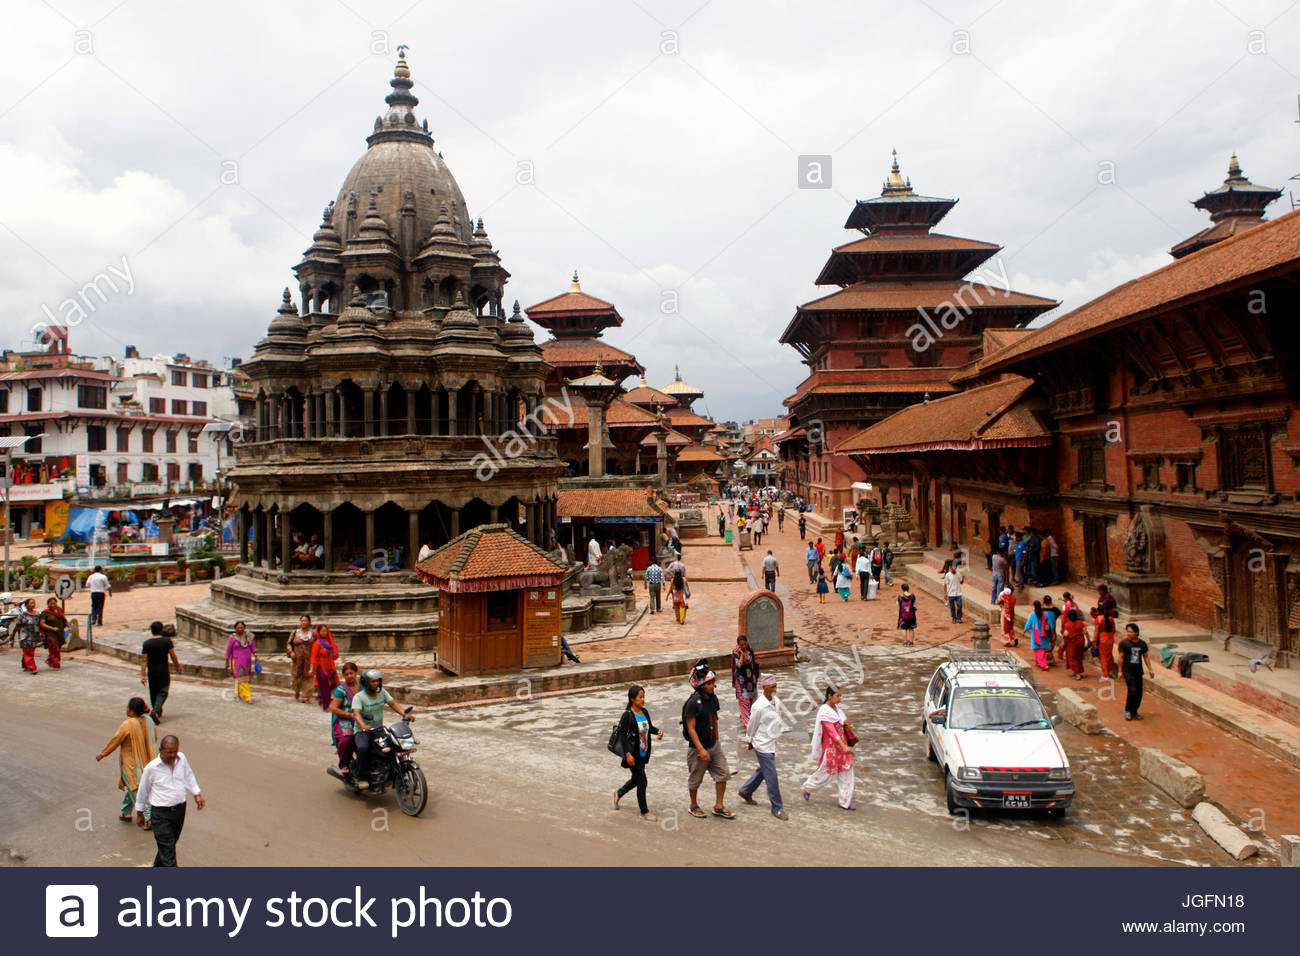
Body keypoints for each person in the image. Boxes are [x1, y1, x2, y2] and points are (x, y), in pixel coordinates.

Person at [135, 734, 204, 866]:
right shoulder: (151, 768)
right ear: (161, 750)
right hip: (160, 815)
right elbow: (143, 790)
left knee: (168, 846)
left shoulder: (182, 759)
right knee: (168, 852)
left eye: (174, 751)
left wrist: (197, 794)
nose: (172, 755)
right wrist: (140, 813)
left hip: (179, 811)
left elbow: (189, 775)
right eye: (169, 752)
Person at [351, 668, 415, 790]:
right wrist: (363, 726)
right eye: (373, 681)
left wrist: (404, 714)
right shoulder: (359, 697)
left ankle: (391, 772)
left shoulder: (382, 693)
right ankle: (362, 778)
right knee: (363, 748)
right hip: (363, 732)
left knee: (393, 746)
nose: (376, 684)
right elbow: (356, 714)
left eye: (378, 681)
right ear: (366, 683)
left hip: (378, 729)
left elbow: (393, 704)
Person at [683, 666, 733, 819]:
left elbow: (715, 718)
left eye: (713, 683)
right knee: (695, 779)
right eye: (710, 683)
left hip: (713, 745)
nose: (713, 686)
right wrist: (701, 749)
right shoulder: (692, 703)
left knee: (723, 774)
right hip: (698, 749)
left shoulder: (713, 698)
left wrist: (716, 741)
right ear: (701, 685)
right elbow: (691, 729)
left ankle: (719, 806)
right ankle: (693, 805)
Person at [96, 696, 156, 823]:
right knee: (132, 786)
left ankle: (148, 817)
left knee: (134, 787)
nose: (126, 709)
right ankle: (126, 812)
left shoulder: (127, 724)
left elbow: (115, 741)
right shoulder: (149, 721)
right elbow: (154, 737)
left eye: (128, 708)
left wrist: (102, 754)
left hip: (131, 763)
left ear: (133, 711)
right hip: (146, 760)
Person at [738, 673, 788, 820]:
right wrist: (750, 740)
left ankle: (746, 791)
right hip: (762, 744)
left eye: (776, 686)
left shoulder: (776, 701)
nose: (775, 689)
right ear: (764, 687)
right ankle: (777, 807)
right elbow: (752, 725)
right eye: (772, 687)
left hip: (771, 741)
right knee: (771, 775)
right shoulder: (758, 707)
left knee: (764, 770)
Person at [802, 684, 856, 810]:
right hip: (832, 748)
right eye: (837, 696)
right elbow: (832, 733)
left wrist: (847, 726)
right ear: (829, 696)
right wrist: (844, 747)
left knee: (847, 771)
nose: (840, 698)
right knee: (825, 774)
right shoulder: (824, 712)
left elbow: (842, 725)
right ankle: (808, 787)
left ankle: (845, 802)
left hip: (842, 746)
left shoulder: (838, 709)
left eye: (840, 696)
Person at [614, 684, 662, 820]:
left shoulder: (644, 712)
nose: (643, 700)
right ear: (632, 699)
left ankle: (619, 793)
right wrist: (627, 754)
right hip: (633, 755)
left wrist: (657, 731)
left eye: (643, 697)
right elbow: (622, 736)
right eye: (640, 697)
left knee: (636, 779)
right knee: (642, 781)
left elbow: (649, 727)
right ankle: (644, 811)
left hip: (643, 753)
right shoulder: (627, 715)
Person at [141, 621, 181, 723]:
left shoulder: (146, 643)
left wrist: (143, 675)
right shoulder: (166, 641)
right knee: (163, 691)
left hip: (152, 672)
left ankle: (157, 711)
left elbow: (144, 660)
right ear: (161, 630)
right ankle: (156, 711)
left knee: (153, 692)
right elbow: (173, 655)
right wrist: (178, 667)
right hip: (163, 671)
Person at [329, 662, 361, 773]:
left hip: (361, 718)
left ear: (356, 672)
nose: (349, 676)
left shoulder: (362, 685)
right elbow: (334, 708)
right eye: (346, 674)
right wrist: (349, 715)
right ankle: (343, 764)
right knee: (346, 739)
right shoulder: (341, 690)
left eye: (351, 673)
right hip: (345, 719)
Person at [1118, 622, 1154, 720]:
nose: (1128, 634)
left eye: (1130, 632)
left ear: (1136, 633)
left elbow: (1146, 656)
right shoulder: (1124, 644)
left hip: (1138, 671)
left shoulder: (1142, 644)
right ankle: (1128, 710)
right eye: (1127, 632)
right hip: (1128, 671)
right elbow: (1121, 657)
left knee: (1139, 692)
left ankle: (1134, 711)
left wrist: (1150, 669)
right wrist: (1120, 671)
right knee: (1132, 691)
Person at [224, 621, 258, 703]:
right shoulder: (232, 638)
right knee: (242, 678)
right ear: (235, 629)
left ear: (244, 628)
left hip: (247, 660)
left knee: (244, 677)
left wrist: (256, 656)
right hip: (237, 661)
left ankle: (238, 693)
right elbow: (228, 650)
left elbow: (253, 647)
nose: (240, 629)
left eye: (242, 627)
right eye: (238, 628)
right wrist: (227, 661)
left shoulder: (249, 636)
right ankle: (248, 696)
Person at [287, 614, 315, 704]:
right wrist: (291, 652)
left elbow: (317, 644)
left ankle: (307, 696)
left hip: (309, 659)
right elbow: (289, 644)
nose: (303, 623)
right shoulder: (295, 633)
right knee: (296, 676)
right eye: (302, 621)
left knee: (308, 677)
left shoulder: (313, 633)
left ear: (309, 622)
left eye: (305, 621)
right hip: (297, 659)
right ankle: (297, 691)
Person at [310, 623, 339, 710]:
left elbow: (334, 654)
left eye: (326, 631)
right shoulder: (317, 643)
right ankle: (326, 705)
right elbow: (313, 657)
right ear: (318, 632)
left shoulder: (329, 643)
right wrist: (311, 669)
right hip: (320, 667)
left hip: (329, 666)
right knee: (325, 684)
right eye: (322, 631)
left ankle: (320, 695)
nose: (325, 633)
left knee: (333, 683)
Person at [731, 635, 759, 724]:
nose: (743, 646)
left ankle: (746, 717)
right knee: (744, 702)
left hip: (751, 680)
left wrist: (756, 677)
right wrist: (742, 655)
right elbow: (738, 666)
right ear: (738, 645)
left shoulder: (750, 651)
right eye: (741, 645)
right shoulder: (735, 653)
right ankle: (747, 722)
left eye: (745, 644)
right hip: (741, 681)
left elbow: (753, 664)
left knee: (752, 702)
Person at [38, 597, 67, 670]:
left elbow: (64, 618)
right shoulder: (45, 613)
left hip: (59, 632)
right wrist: (52, 628)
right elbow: (42, 624)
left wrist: (69, 626)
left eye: (54, 603)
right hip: (50, 633)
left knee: (58, 647)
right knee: (54, 649)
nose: (53, 605)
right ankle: (56, 664)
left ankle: (50, 660)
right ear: (48, 604)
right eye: (51, 604)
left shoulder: (59, 610)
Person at [14, 598, 41, 674]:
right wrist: (13, 636)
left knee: (30, 652)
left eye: (34, 603)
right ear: (26, 605)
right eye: (31, 603)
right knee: (28, 652)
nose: (33, 605)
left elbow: (40, 625)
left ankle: (25, 664)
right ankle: (33, 667)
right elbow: (17, 626)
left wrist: (41, 634)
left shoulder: (38, 614)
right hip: (25, 637)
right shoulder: (23, 615)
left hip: (34, 636)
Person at [1061, 608, 1088, 680]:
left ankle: (1077, 674)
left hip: (1072, 643)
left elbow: (1066, 634)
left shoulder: (1068, 624)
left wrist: (1063, 642)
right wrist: (1088, 640)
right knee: (1079, 657)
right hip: (1081, 642)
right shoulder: (1081, 623)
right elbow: (1085, 632)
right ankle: (1075, 672)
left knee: (1073, 658)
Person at [1092, 603, 1117, 680]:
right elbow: (1114, 630)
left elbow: (1096, 632)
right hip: (1110, 638)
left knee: (1103, 657)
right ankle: (1110, 672)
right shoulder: (1111, 618)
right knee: (1109, 655)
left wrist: (1093, 641)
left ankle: (1105, 674)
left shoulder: (1098, 619)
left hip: (1102, 639)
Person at [1025, 600, 1050, 669]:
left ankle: (1043, 665)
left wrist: (1025, 629)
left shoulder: (1033, 614)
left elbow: (1028, 623)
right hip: (1043, 634)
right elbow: (1048, 622)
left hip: (1035, 635)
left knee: (1038, 651)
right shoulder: (1045, 614)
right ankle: (1038, 662)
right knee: (1042, 650)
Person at [942, 560, 964, 624]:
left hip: (958, 593)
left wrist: (963, 579)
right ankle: (954, 618)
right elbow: (945, 584)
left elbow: (961, 582)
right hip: (951, 594)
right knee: (952, 607)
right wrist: (945, 594)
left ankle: (959, 617)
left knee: (959, 605)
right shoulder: (948, 575)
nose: (954, 569)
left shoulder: (958, 574)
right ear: (950, 567)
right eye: (953, 567)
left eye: (955, 567)